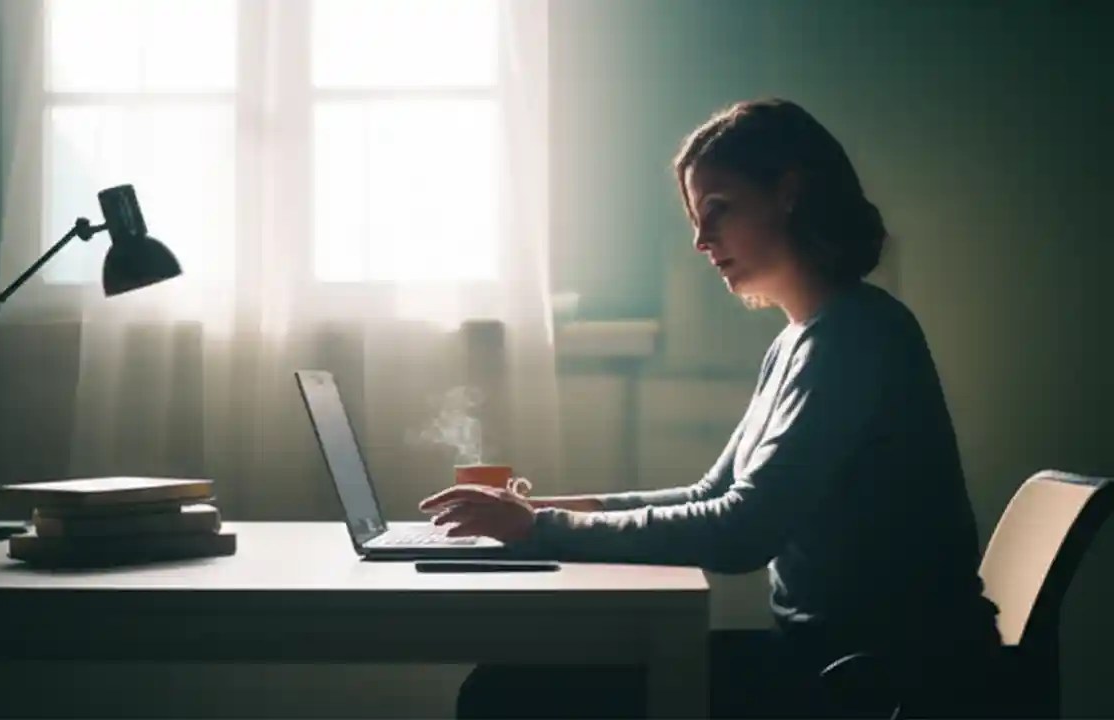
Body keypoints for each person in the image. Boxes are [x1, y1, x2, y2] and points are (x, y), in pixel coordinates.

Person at [418, 98, 1002, 718]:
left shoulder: (853, 338)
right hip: (834, 660)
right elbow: (714, 490)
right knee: (516, 683)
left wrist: (541, 531)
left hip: (874, 679)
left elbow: (740, 532)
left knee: (505, 693)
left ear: (789, 193)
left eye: (718, 211)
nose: (701, 240)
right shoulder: (803, 340)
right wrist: (539, 509)